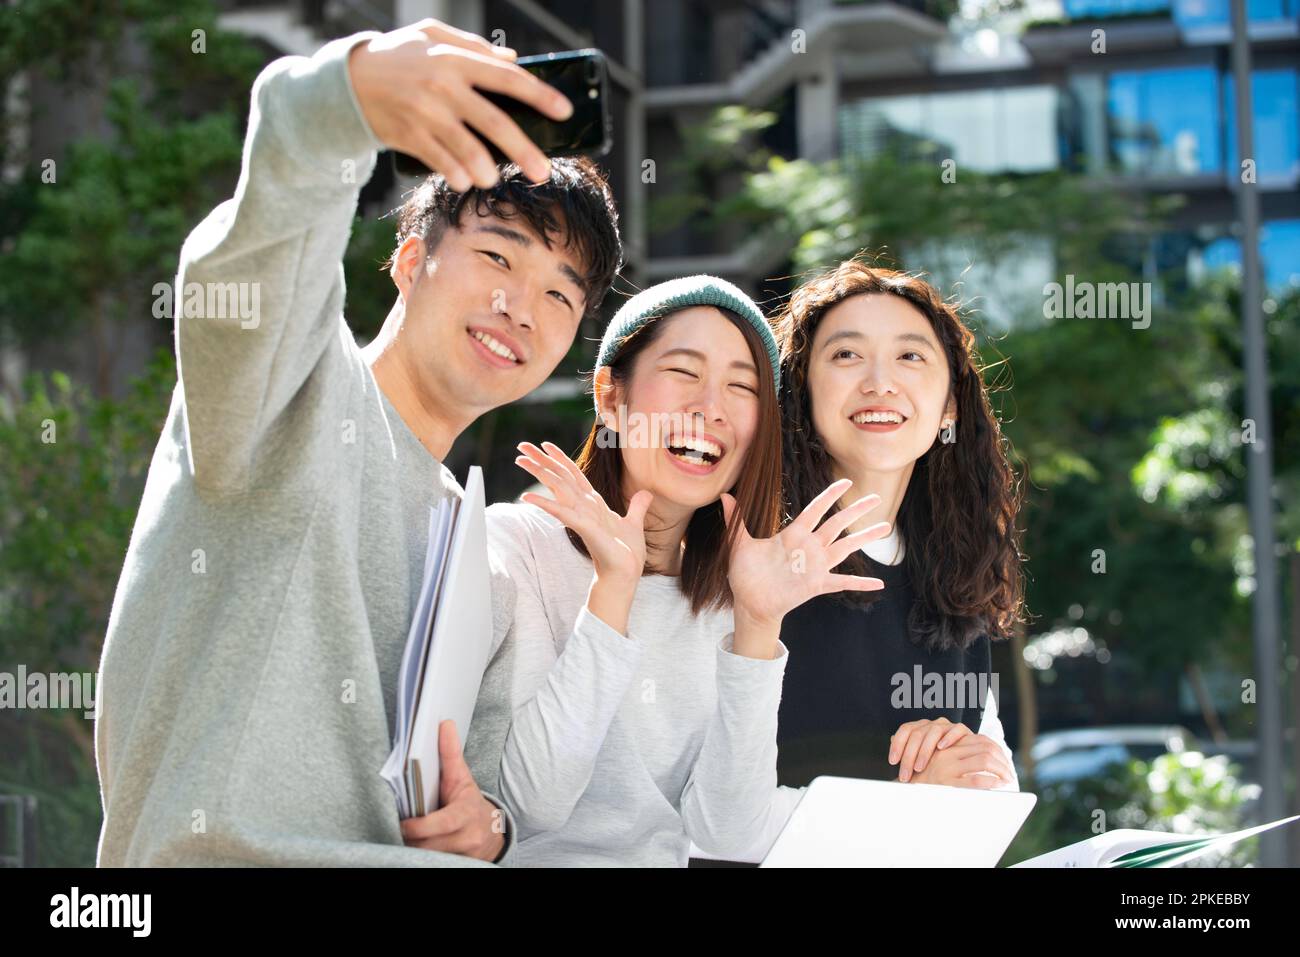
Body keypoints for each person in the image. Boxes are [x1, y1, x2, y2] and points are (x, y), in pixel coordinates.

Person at [94, 19, 622, 866]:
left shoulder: (476, 551)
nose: (521, 307)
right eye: (497, 255)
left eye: (560, 297)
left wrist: (488, 827)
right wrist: (341, 102)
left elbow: (477, 792)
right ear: (410, 260)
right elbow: (253, 257)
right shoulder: (295, 383)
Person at [462, 276, 890, 866]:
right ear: (612, 397)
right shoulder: (518, 547)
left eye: (742, 387)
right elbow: (529, 807)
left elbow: (729, 832)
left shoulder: (724, 592)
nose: (711, 408)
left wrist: (757, 623)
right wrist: (613, 592)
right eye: (684, 373)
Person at [772, 260, 1026, 794]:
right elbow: (710, 810)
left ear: (950, 405)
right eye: (846, 355)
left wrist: (963, 762)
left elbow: (991, 778)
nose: (880, 383)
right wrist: (910, 794)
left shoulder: (959, 571)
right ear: (801, 391)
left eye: (910, 356)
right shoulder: (758, 552)